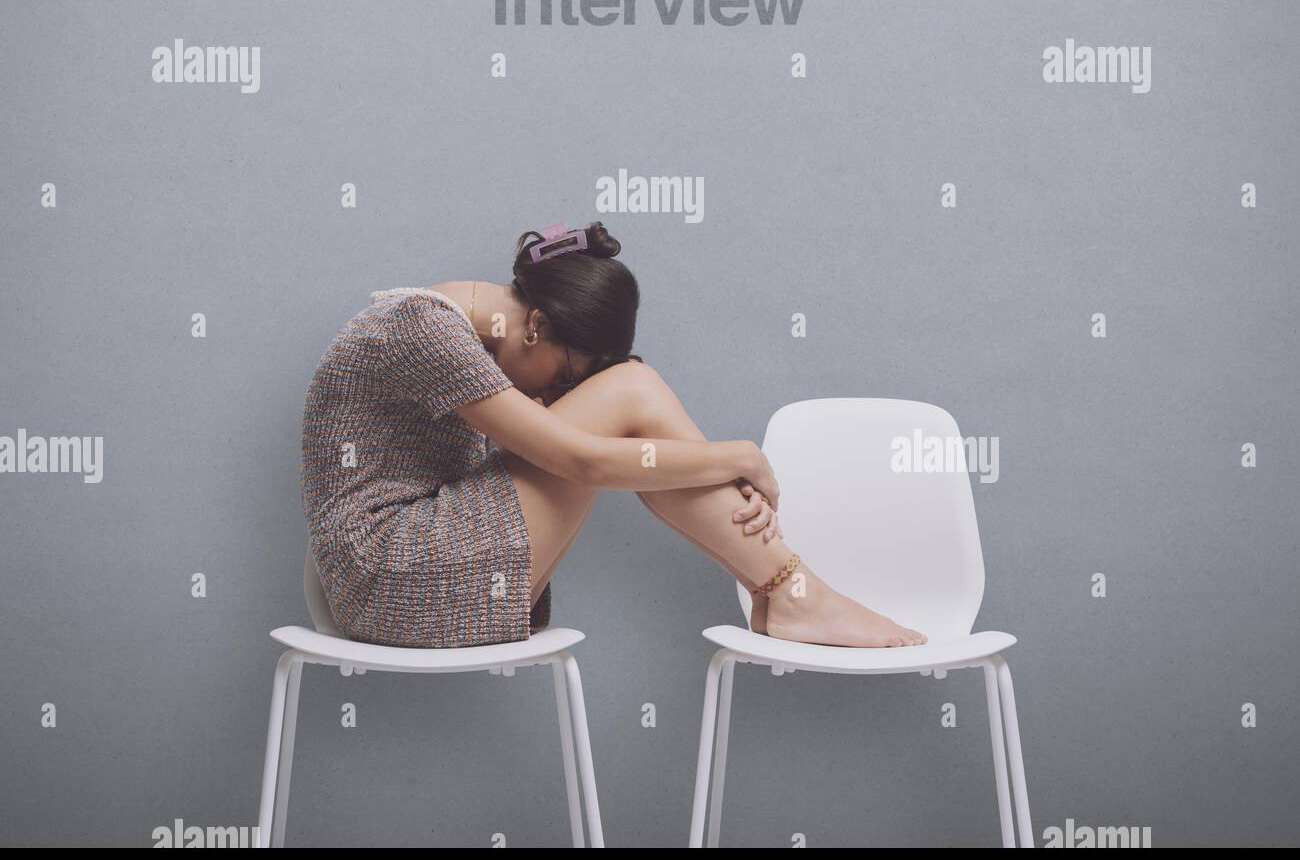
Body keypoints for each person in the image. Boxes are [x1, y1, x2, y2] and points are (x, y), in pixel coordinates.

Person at [300, 221, 926, 651]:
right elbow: (584, 460)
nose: (550, 398)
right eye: (568, 376)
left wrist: (717, 465)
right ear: (536, 325)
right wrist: (741, 457)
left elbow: (580, 456)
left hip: (405, 567)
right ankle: (793, 592)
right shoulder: (424, 328)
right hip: (389, 575)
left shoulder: (448, 325)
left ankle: (784, 592)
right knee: (633, 391)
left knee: (636, 395)